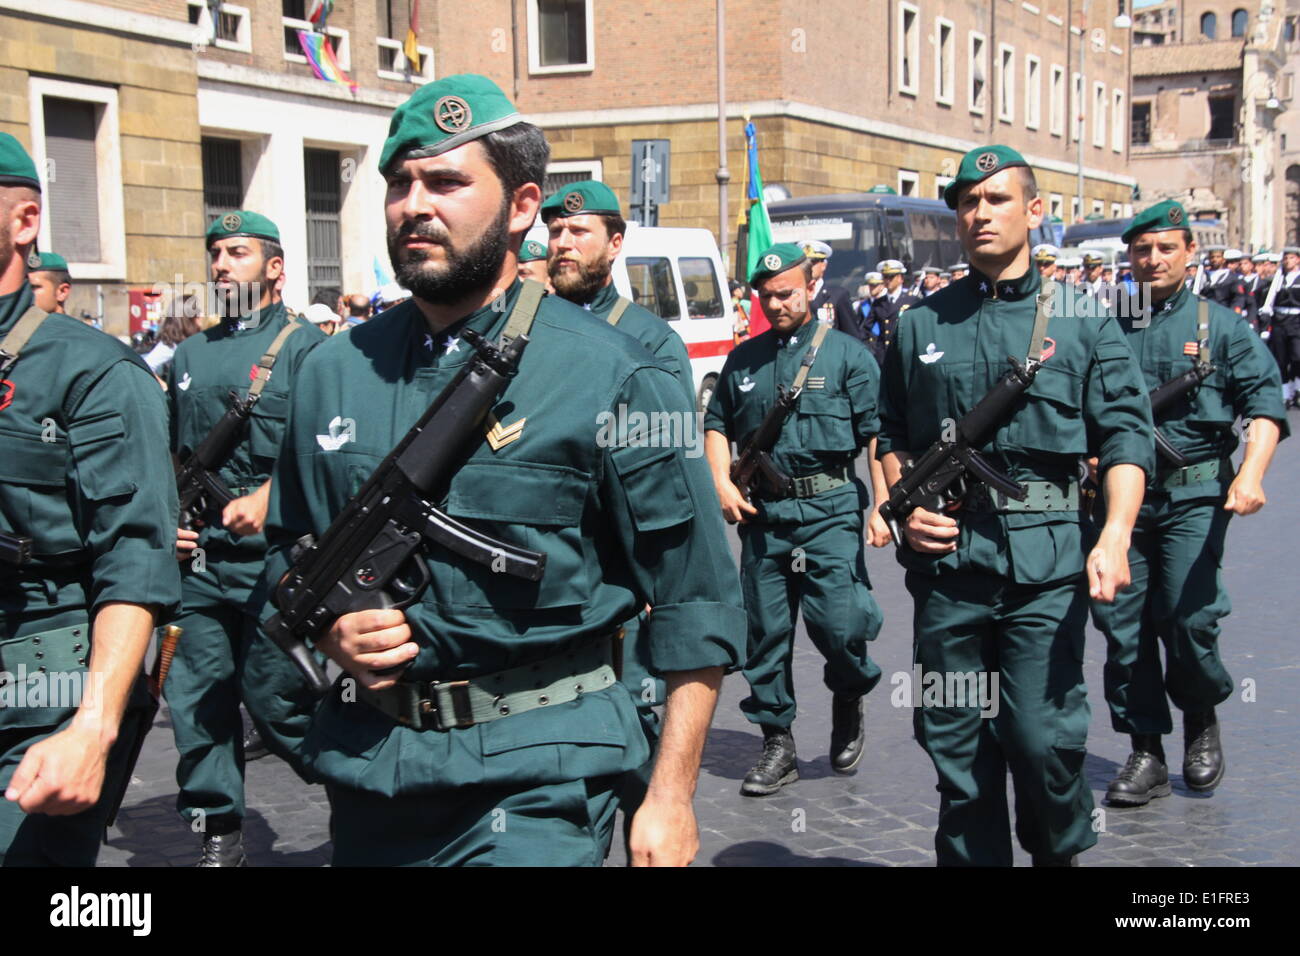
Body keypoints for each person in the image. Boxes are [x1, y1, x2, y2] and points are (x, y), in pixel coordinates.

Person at [242, 73, 745, 867]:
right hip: (376, 773)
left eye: (446, 182)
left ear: (520, 207)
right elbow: (287, 549)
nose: (415, 205)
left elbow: (694, 594)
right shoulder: (333, 371)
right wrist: (334, 627)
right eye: (399, 183)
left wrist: (672, 796)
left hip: (540, 775)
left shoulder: (614, 374)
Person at [877, 145, 1154, 866]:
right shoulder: (921, 325)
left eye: (996, 199)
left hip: (1046, 566)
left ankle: (1057, 852)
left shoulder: (1084, 321)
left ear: (1034, 211)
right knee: (957, 748)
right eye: (967, 202)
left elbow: (1127, 435)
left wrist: (1117, 532)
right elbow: (892, 436)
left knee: (1039, 739)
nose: (978, 213)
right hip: (950, 571)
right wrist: (902, 505)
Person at [0, 132, 182, 865]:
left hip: (36, 696)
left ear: (24, 222)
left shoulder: (92, 371)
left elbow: (135, 559)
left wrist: (94, 726)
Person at [1093, 201, 1288, 808]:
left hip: (1194, 497)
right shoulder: (1106, 326)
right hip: (1119, 503)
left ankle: (1201, 718)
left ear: (1188, 253)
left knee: (1186, 617)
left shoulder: (1222, 328)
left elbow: (1264, 406)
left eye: (1165, 248)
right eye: (1142, 249)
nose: (1152, 259)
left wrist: (1251, 474)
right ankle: (1145, 750)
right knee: (1123, 627)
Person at [165, 210, 326, 866]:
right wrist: (166, 522)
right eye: (216, 253)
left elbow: (334, 453)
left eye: (237, 251)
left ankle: (352, 781)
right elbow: (170, 457)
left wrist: (273, 495)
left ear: (275, 266)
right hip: (200, 564)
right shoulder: (188, 356)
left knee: (276, 694)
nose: (222, 264)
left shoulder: (308, 348)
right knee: (196, 696)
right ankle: (219, 830)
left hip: (277, 560)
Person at [704, 242, 888, 796]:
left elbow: (877, 436)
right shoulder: (744, 361)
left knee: (841, 624)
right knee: (765, 633)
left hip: (830, 511)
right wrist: (718, 481)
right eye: (767, 296)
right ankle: (776, 742)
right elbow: (716, 425)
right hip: (766, 516)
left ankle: (849, 692)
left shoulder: (849, 357)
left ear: (811, 288)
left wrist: (883, 504)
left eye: (786, 293)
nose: (776, 303)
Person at [803, 240, 862, 340]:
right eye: (805, 262)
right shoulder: (795, 295)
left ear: (823, 265)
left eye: (813, 262)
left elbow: (852, 336)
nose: (809, 266)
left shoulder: (838, 296)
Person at [863, 259, 918, 365]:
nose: (887, 280)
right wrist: (867, 351)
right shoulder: (879, 302)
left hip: (905, 353)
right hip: (883, 355)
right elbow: (865, 329)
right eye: (885, 277)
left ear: (900, 278)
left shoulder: (911, 300)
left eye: (891, 277)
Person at [1269, 246, 1300, 407]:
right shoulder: (1278, 279)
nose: (1288, 261)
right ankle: (1286, 394)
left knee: (1297, 357)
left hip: (1297, 321)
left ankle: (1297, 388)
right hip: (1279, 321)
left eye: (1292, 258)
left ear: (1298, 260)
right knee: (1281, 359)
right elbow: (1269, 299)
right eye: (1286, 258)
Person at [26, 250, 71, 315]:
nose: (24, 294)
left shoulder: (74, 325)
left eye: (33, 287)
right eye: (22, 288)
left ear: (62, 292)